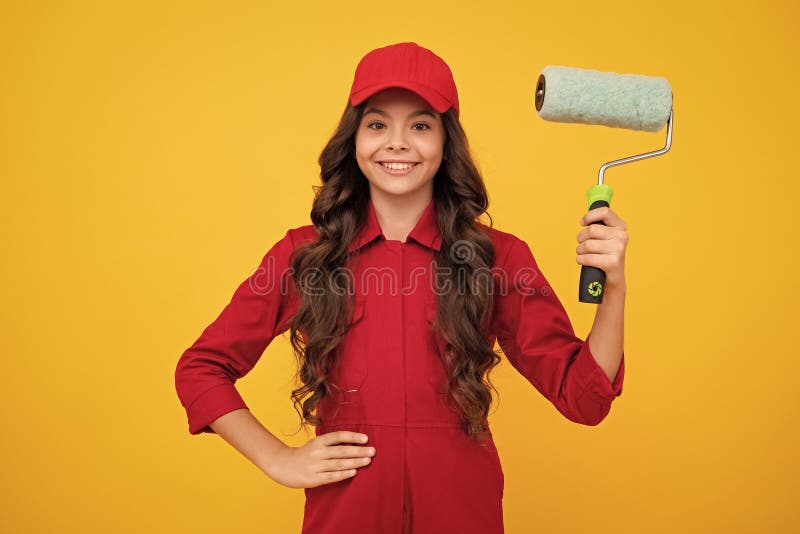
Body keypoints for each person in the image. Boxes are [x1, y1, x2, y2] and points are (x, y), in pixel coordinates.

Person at [174, 41, 627, 534]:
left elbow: (584, 398)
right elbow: (201, 369)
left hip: (463, 515)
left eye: (420, 126)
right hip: (345, 518)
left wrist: (614, 288)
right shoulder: (303, 255)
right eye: (377, 124)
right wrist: (277, 458)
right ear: (353, 139)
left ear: (446, 143)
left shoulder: (499, 258)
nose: (397, 143)